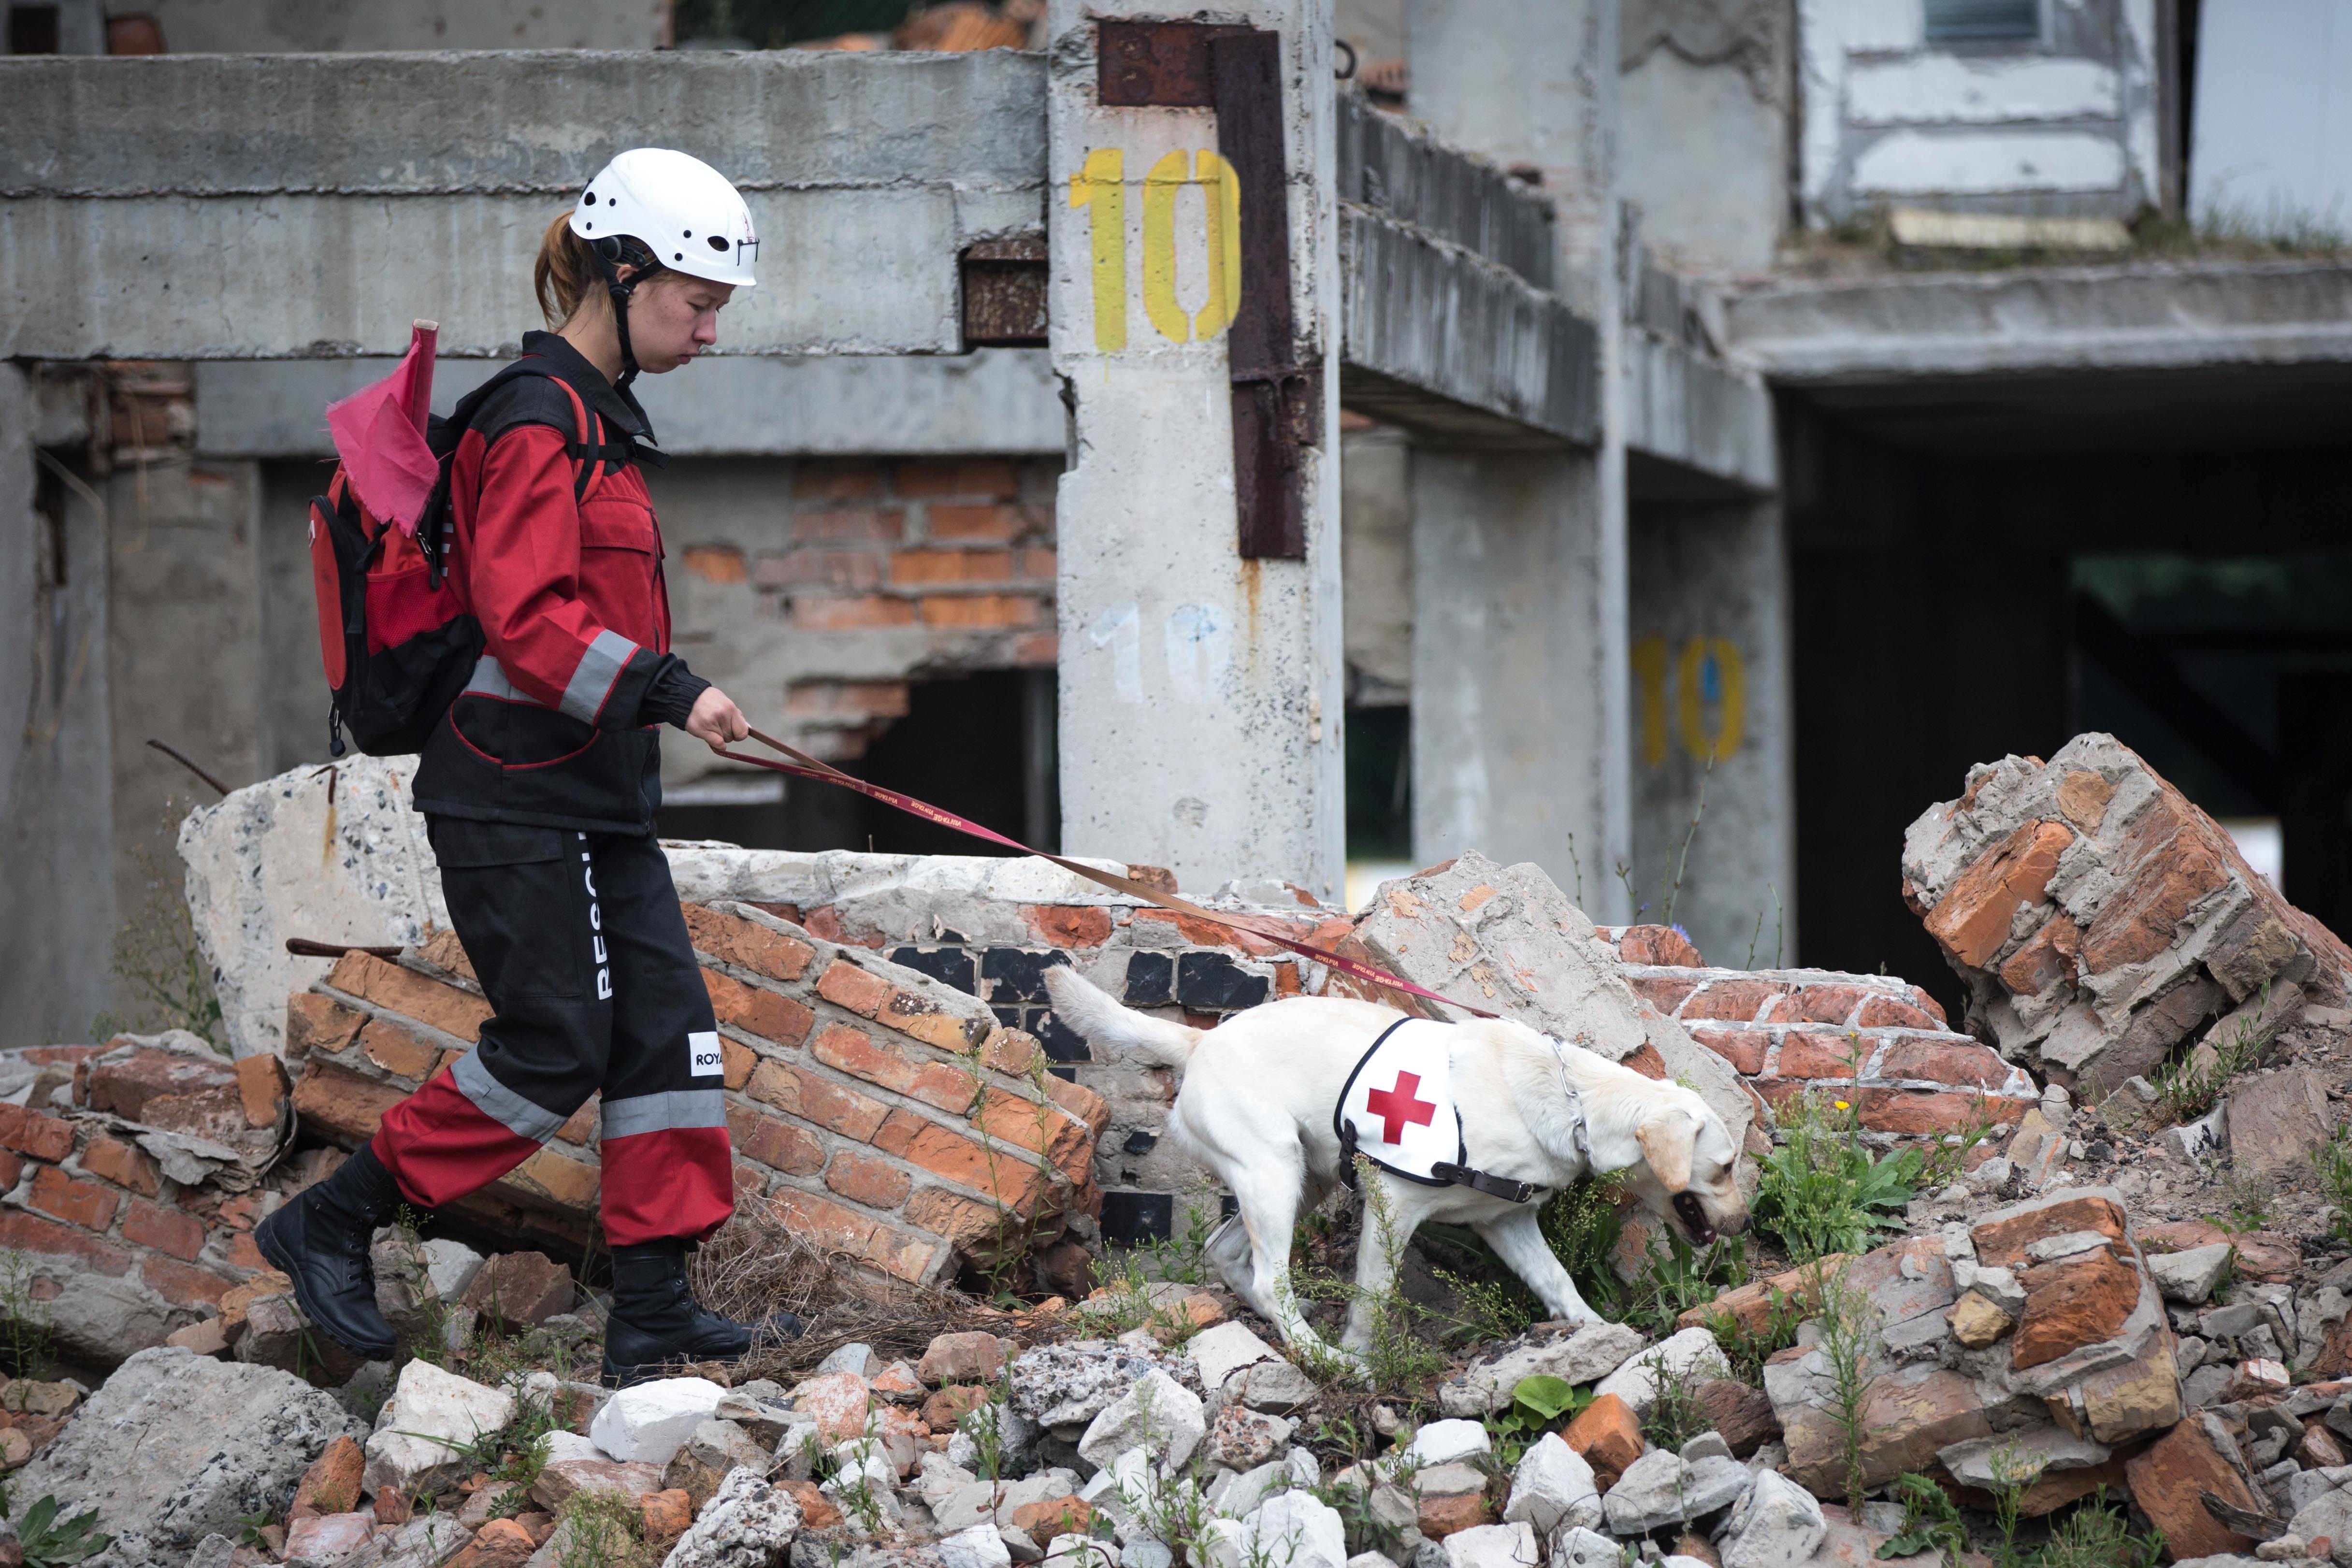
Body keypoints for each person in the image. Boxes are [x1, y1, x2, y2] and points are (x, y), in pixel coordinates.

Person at [258, 149, 799, 1386]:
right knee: (557, 1043)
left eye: (717, 310)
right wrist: (676, 688)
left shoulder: (600, 426)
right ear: (618, 274)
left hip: (593, 793)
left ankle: (654, 1311)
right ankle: (331, 1221)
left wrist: (658, 697)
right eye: (695, 302)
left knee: (664, 1035)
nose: (710, 331)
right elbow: (527, 620)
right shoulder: (530, 417)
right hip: (506, 793)